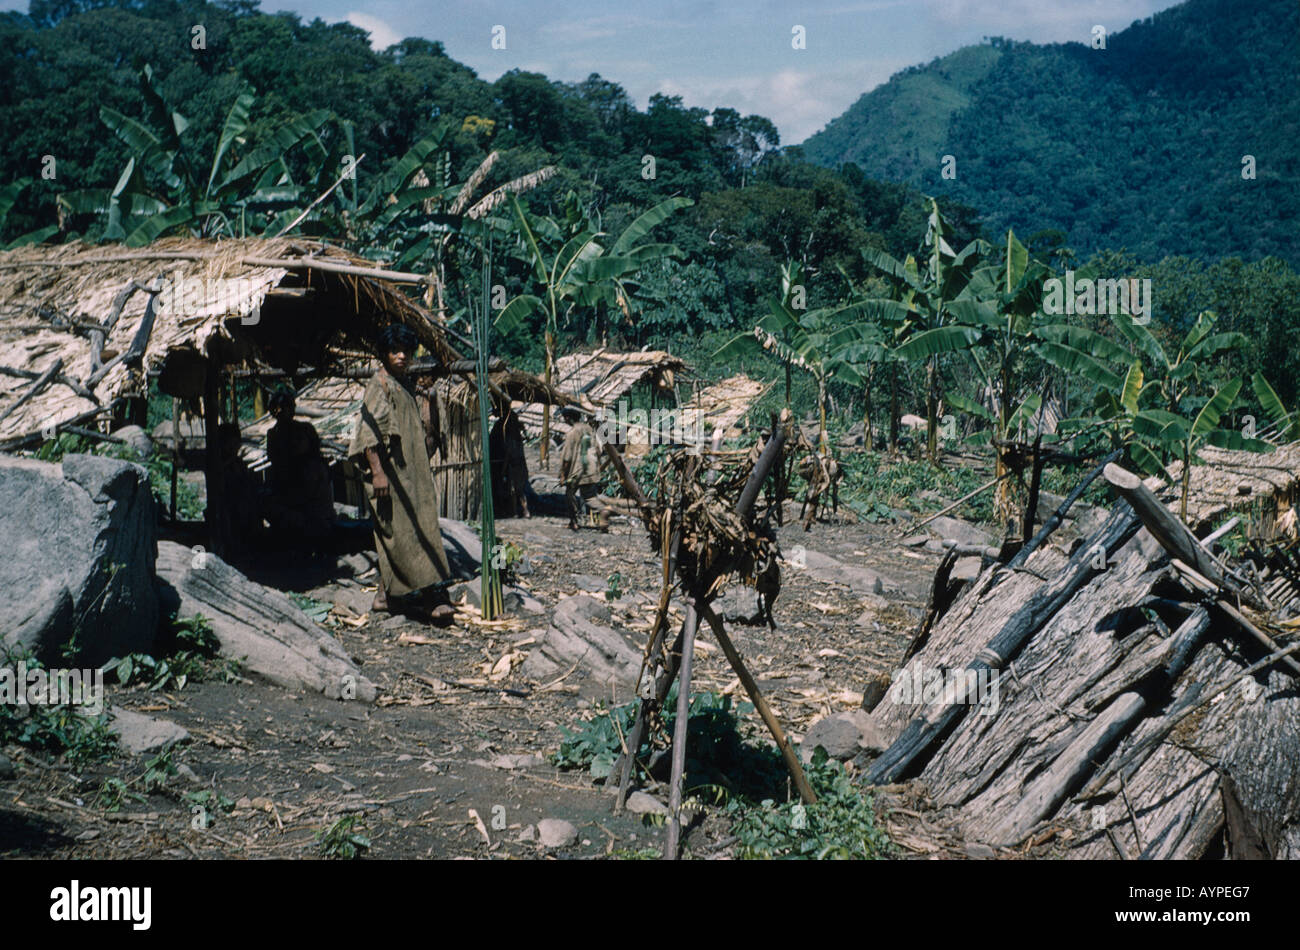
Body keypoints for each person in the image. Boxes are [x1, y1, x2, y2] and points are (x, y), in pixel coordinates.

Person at [348, 324, 454, 622]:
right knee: (403, 533)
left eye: (406, 351)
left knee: (410, 530)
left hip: (411, 478)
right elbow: (369, 432)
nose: (401, 356)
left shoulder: (402, 384)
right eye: (395, 351)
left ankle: (385, 596)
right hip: (391, 477)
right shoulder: (379, 385)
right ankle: (431, 596)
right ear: (384, 353)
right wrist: (378, 473)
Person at [264, 388, 335, 551]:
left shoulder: (305, 431)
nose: (281, 412)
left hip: (310, 498)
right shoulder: (273, 434)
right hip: (286, 488)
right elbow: (274, 460)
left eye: (285, 407)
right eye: (277, 408)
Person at [558, 406, 607, 531]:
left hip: (578, 471)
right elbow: (598, 450)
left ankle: (574, 521)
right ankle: (601, 519)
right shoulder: (589, 429)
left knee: (570, 494)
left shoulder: (572, 433)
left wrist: (563, 475)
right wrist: (598, 465)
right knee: (590, 496)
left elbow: (567, 457)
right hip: (591, 468)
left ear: (568, 418)